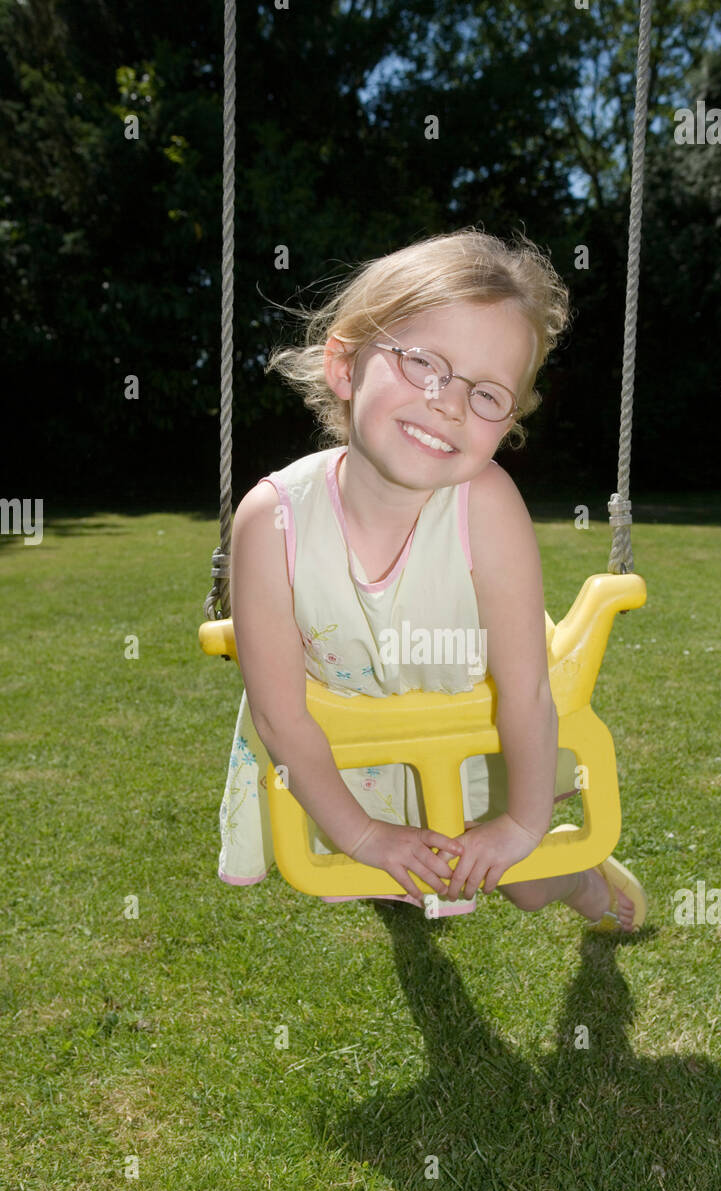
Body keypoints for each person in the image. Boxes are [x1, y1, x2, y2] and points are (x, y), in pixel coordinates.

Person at [218, 227, 645, 931]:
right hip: (344, 747)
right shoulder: (272, 523)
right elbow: (280, 717)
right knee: (393, 874)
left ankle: (585, 885)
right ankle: (388, 852)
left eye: (487, 394)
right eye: (423, 363)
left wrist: (522, 825)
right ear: (346, 366)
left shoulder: (486, 506)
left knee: (525, 882)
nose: (449, 403)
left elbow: (527, 688)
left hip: (473, 721)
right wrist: (361, 835)